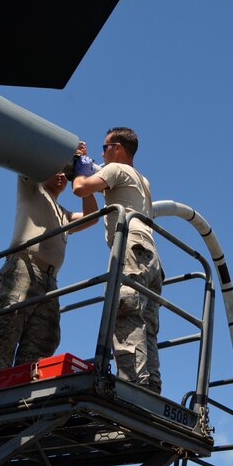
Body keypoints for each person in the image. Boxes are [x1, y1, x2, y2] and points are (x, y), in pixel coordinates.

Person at [0, 144, 98, 392]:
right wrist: (66, 153)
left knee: (43, 341)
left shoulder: (62, 213)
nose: (62, 176)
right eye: (58, 172)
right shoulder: (32, 188)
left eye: (66, 174)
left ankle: (20, 391)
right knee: (7, 330)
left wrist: (81, 176)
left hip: (50, 282)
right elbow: (32, 160)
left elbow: (92, 216)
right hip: (22, 268)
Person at [70, 127, 163, 394]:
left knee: (125, 314)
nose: (102, 152)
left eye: (105, 147)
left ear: (118, 148)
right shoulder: (141, 179)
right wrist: (90, 165)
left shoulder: (116, 170)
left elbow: (81, 188)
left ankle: (131, 387)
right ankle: (150, 385)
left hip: (130, 249)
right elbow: (103, 178)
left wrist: (77, 166)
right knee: (146, 325)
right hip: (151, 256)